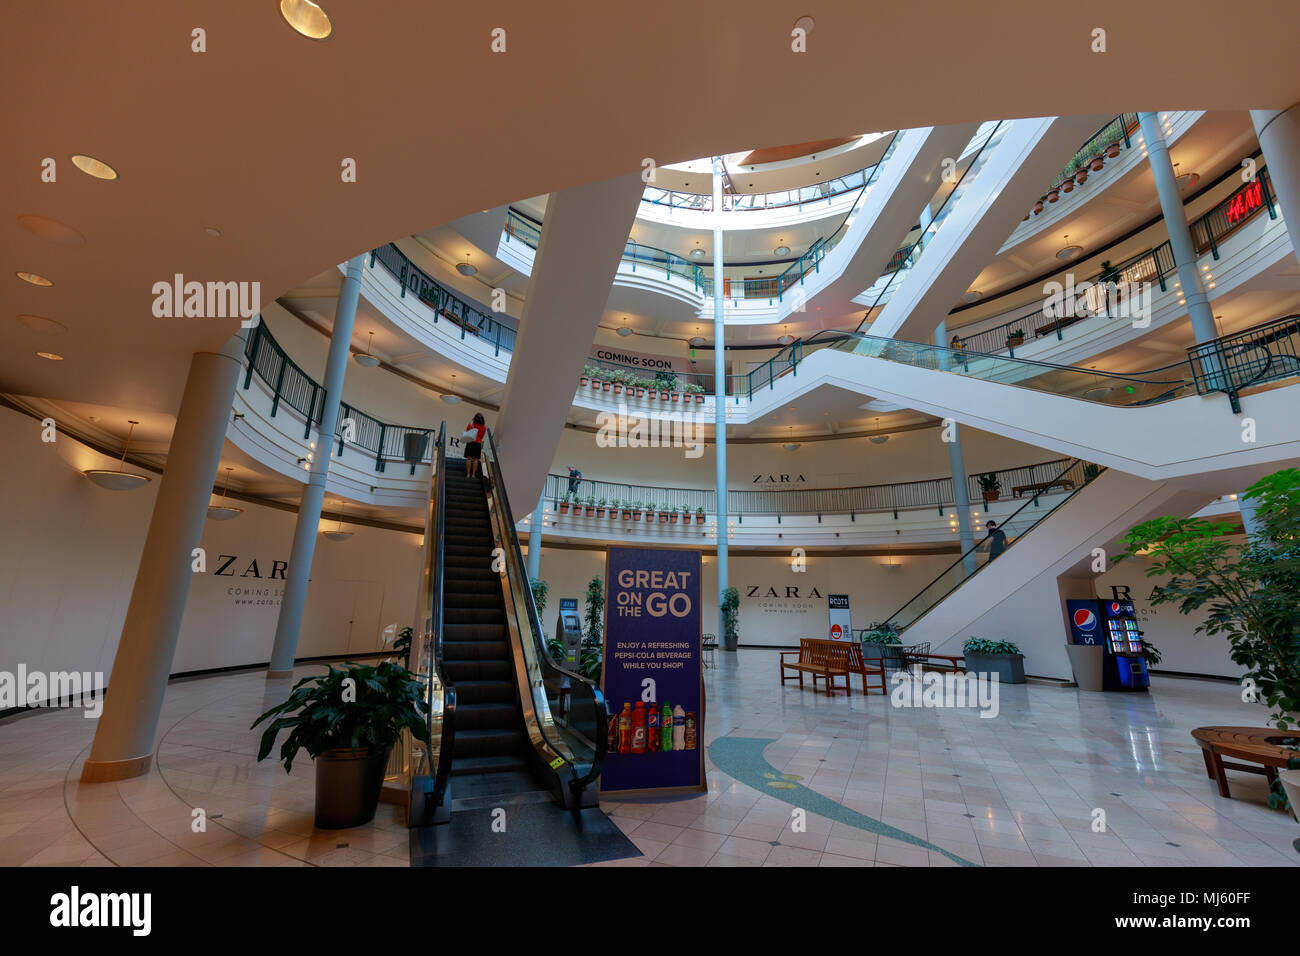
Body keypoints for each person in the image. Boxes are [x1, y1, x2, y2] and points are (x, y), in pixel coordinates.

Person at [463, 413, 486, 478]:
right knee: (476, 460)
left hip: (470, 442)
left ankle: (467, 474)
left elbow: (467, 433)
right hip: (478, 444)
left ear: (474, 418)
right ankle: (473, 475)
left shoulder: (470, 425)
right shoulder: (484, 428)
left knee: (469, 459)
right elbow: (482, 437)